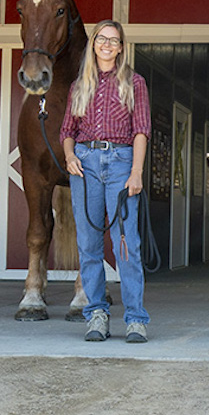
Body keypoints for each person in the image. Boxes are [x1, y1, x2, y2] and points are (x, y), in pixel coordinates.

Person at [60, 20, 151, 343]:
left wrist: (136, 171)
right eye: (102, 39)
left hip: (121, 162)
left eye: (114, 40)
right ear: (94, 43)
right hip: (85, 164)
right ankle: (96, 313)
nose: (107, 44)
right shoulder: (79, 86)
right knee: (88, 244)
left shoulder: (134, 83)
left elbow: (141, 130)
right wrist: (70, 157)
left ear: (122, 47)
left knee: (126, 244)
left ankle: (135, 318)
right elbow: (67, 132)